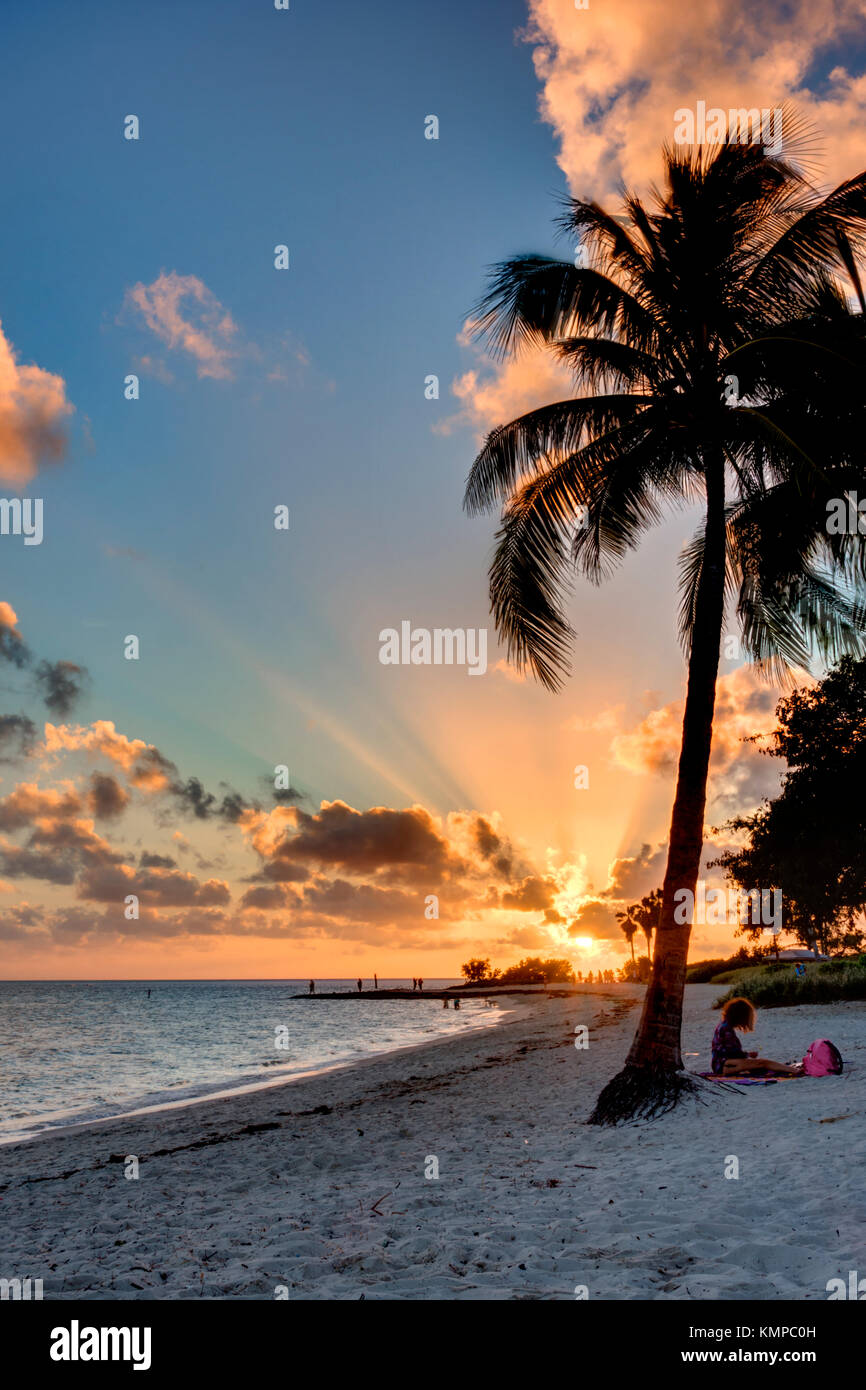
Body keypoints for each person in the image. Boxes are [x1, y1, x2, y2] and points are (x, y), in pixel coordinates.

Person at [711, 997, 801, 1076]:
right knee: (762, 1063)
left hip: (723, 1063)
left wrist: (748, 1055)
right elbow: (733, 1053)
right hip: (724, 1064)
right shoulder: (726, 1029)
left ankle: (789, 1069)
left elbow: (729, 1050)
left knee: (760, 1066)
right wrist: (747, 1055)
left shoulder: (724, 1026)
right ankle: (795, 1070)